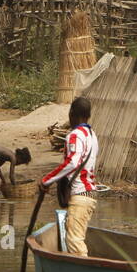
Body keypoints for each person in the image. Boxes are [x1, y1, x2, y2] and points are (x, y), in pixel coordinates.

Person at [41, 97, 99, 256]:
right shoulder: (92, 135)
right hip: (89, 194)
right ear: (88, 115)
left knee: (74, 241)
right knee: (77, 239)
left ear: (71, 113)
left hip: (80, 195)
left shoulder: (74, 135)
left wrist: (47, 180)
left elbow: (72, 163)